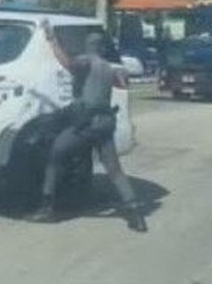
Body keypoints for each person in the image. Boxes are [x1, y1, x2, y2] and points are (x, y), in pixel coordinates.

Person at [28, 19, 147, 232]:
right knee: (114, 170)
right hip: (105, 124)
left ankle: (47, 208)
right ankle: (135, 213)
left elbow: (67, 63)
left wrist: (52, 40)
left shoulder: (87, 61)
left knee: (55, 154)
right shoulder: (109, 68)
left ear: (87, 47)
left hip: (87, 124)